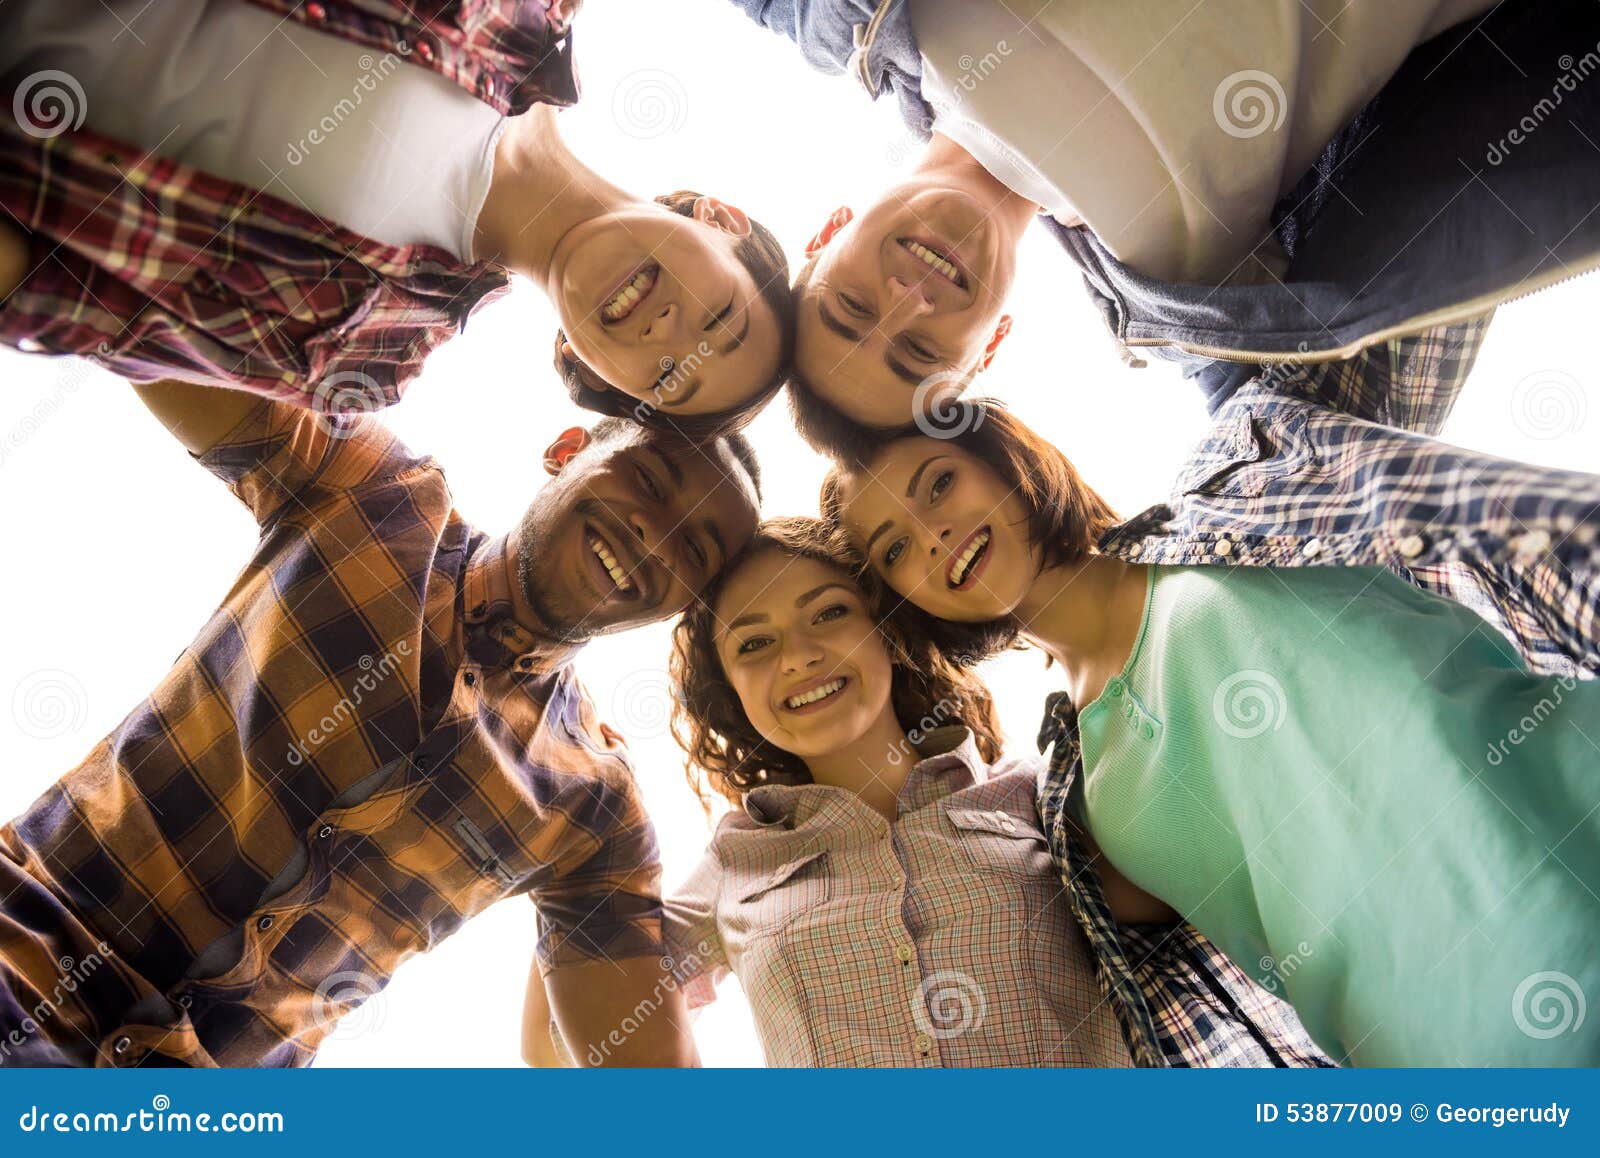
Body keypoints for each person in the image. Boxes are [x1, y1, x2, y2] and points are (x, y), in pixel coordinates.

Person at [823, 324, 1600, 1066]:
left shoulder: (1244, 475)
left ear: (1002, 453)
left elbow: (1391, 272)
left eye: (939, 484)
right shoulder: (1076, 810)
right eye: (894, 547)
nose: (930, 535)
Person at [0, 374, 761, 1067]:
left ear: (686, 606)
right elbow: (146, 328)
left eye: (694, 546)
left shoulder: (595, 810)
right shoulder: (373, 492)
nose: (653, 535)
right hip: (25, 950)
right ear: (566, 451)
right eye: (651, 481)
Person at [524, 517, 1329, 1068]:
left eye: (828, 614)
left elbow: (1231, 908)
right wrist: (584, 821)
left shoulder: (1044, 800)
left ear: (885, 629)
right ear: (731, 693)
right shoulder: (733, 868)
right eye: (756, 644)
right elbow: (562, 1047)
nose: (798, 657)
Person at [731, 0, 1600, 434]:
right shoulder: (1186, 285)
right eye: (920, 351)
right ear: (988, 346)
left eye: (851, 307)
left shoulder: (869, 20)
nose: (908, 302)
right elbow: (1306, 457)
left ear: (823, 232)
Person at [0, 1, 795, 432]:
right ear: (719, 218)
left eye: (667, 379)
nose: (669, 331)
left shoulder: (363, 359)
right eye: (719, 317)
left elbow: (57, 302)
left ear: (586, 371)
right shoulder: (529, 15)